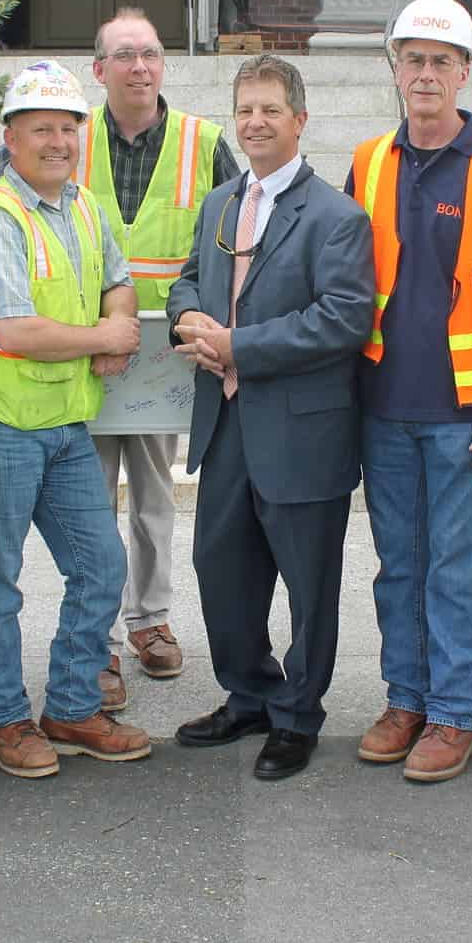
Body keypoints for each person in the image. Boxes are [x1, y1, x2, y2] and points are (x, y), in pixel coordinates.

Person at [343, 0, 472, 783]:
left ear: (465, 72)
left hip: (467, 411)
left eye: (440, 61)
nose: (425, 73)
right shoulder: (368, 162)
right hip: (384, 404)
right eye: (413, 59)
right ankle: (406, 699)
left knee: (453, 568)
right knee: (398, 564)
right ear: (395, 68)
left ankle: (454, 712)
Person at [168, 55, 375, 780]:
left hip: (300, 430)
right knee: (220, 569)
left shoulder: (337, 217)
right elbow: (192, 276)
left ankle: (297, 715)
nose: (255, 122)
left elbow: (344, 318)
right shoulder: (222, 202)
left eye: (270, 110)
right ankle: (249, 693)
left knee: (308, 581)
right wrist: (188, 314)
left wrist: (238, 347)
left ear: (300, 121)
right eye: (245, 109)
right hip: (225, 427)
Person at [0, 60, 152, 779]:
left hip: (64, 424)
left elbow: (119, 282)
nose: (58, 141)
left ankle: (70, 705)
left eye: (68, 128)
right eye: (42, 129)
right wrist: (104, 339)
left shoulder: (86, 206)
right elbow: (14, 332)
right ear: (10, 137)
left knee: (102, 566)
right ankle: (4, 720)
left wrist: (117, 319)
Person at [80, 8, 238, 707]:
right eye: (124, 55)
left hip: (164, 356)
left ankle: (150, 621)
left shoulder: (205, 142)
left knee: (151, 499)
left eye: (149, 53)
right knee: (86, 503)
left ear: (163, 64)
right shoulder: (68, 136)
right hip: (82, 349)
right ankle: (95, 639)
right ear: (100, 69)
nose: (139, 66)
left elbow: (238, 236)